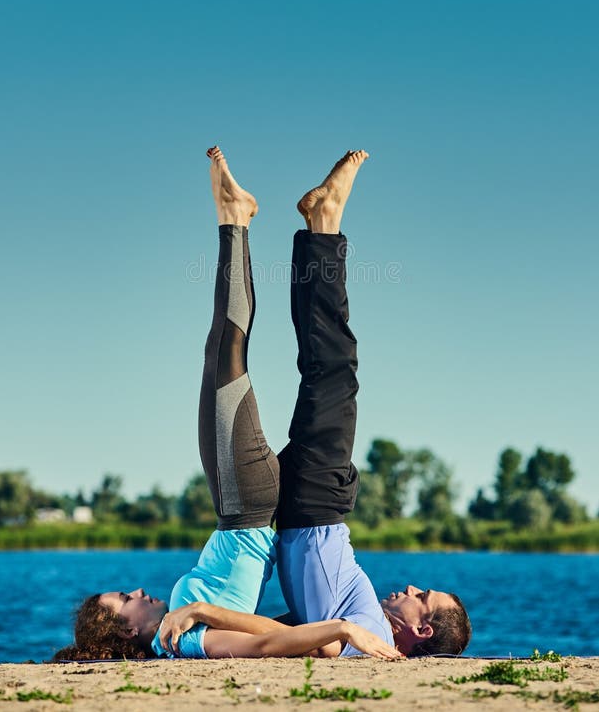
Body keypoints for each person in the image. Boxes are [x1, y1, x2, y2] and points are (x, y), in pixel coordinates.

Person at [53, 147, 399, 662]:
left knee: (307, 369)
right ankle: (246, 219)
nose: (138, 593)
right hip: (246, 508)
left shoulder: (178, 624)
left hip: (266, 514)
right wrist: (344, 632)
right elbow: (263, 642)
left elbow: (269, 630)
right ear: (125, 632)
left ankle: (309, 220)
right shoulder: (182, 638)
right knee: (233, 354)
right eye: (125, 601)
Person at [132, 147, 472, 660]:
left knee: (297, 364)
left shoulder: (369, 637)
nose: (410, 588)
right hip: (316, 504)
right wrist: (204, 613)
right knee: (330, 365)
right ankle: (320, 225)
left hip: (304, 509)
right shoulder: (367, 630)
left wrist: (203, 614)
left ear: (422, 631)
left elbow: (296, 637)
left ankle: (284, 221)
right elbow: (291, 632)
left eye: (422, 600)